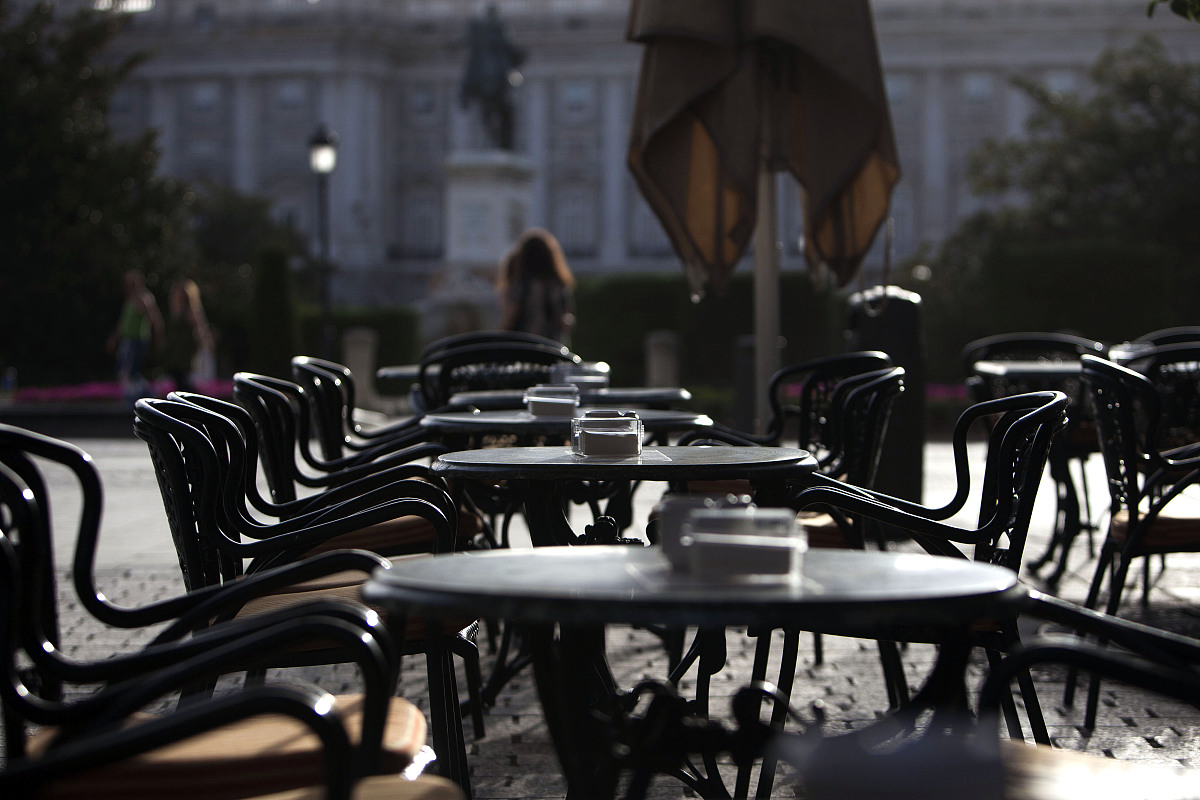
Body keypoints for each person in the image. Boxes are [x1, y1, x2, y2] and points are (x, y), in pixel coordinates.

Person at [497, 228, 575, 342]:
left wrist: (498, 340)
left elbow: (510, 318)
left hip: (524, 346)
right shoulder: (558, 285)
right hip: (552, 346)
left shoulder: (522, 285)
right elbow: (565, 318)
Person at [106, 269, 164, 406]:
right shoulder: (130, 299)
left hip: (136, 340)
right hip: (128, 340)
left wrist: (158, 337)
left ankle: (139, 398)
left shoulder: (142, 298)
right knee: (127, 372)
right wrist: (114, 338)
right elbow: (123, 322)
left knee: (128, 372)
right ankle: (143, 396)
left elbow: (154, 319)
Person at [161, 277, 214, 394]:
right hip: (176, 352)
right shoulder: (175, 311)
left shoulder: (189, 311)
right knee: (178, 378)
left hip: (186, 352)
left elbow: (200, 328)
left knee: (183, 379)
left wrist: (205, 346)